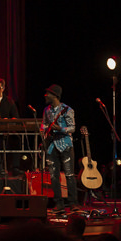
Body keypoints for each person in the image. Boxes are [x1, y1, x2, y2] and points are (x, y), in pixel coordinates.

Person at [41, 84, 78, 213]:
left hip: (65, 145)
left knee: (69, 175)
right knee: (53, 176)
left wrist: (60, 129)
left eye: (48, 93)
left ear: (55, 96)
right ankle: (59, 204)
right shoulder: (47, 110)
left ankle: (73, 204)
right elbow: (44, 124)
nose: (45, 95)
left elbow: (72, 128)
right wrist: (45, 130)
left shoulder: (67, 110)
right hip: (52, 146)